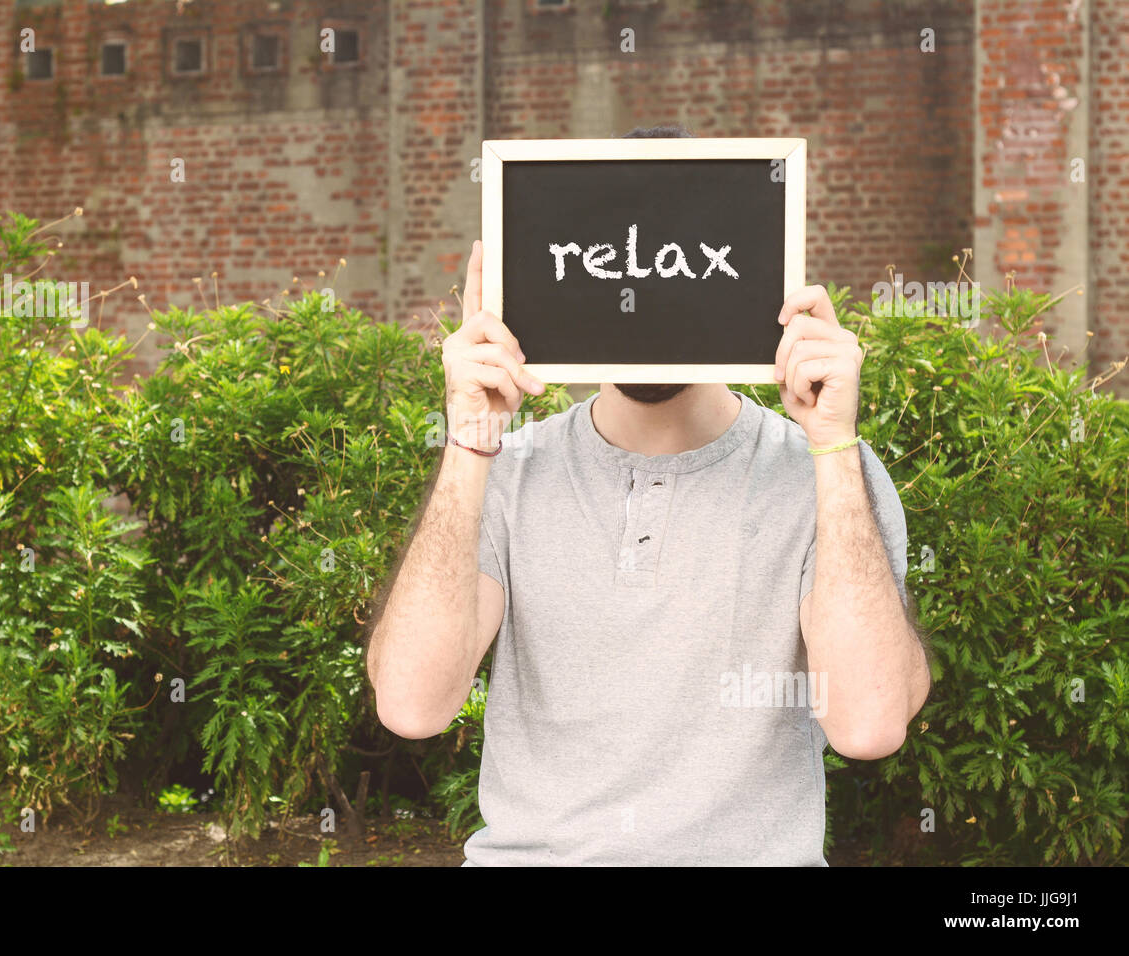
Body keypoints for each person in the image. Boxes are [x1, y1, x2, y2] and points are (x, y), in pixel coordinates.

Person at [366, 127, 931, 866]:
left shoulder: (827, 474)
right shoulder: (504, 469)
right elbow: (411, 705)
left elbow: (870, 725)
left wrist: (832, 441)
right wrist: (469, 441)